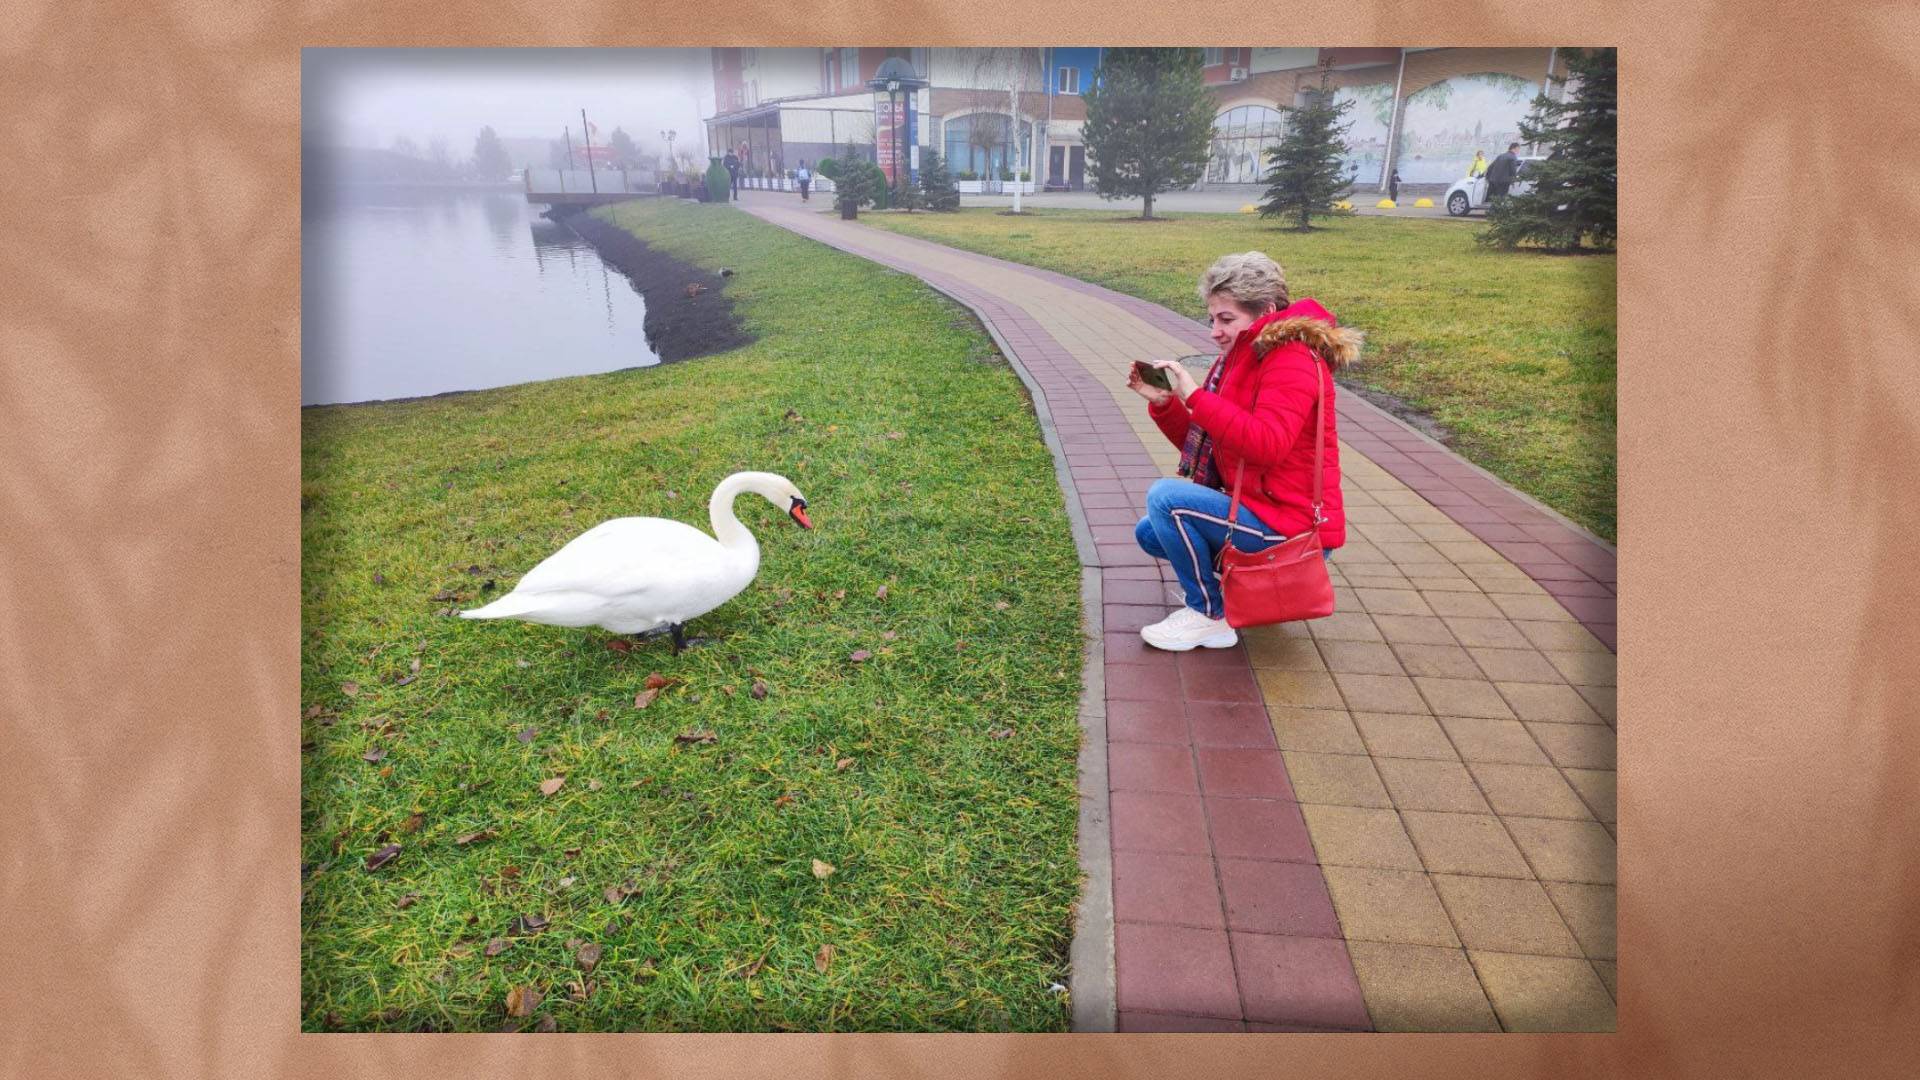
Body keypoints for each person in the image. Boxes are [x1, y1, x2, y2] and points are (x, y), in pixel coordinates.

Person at [1126, 252, 1359, 651]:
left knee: (1165, 499)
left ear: (1266, 311)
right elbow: (1216, 446)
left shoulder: (1293, 358)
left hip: (1292, 529)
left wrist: (1196, 396)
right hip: (1257, 510)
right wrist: (1166, 404)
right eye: (1212, 319)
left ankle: (1210, 614)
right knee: (1151, 533)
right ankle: (1242, 595)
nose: (1215, 331)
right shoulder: (1242, 357)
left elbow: (1266, 445)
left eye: (1227, 319)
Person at [1485, 142, 1521, 206]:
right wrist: (1515, 179)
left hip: (1493, 181)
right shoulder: (1513, 157)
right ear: (1515, 148)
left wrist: (1488, 178)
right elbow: (1513, 171)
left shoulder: (1501, 156)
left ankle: (1491, 212)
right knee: (1501, 198)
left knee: (1494, 199)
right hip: (1504, 182)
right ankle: (1497, 212)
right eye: (1518, 149)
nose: (1518, 151)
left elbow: (1490, 167)